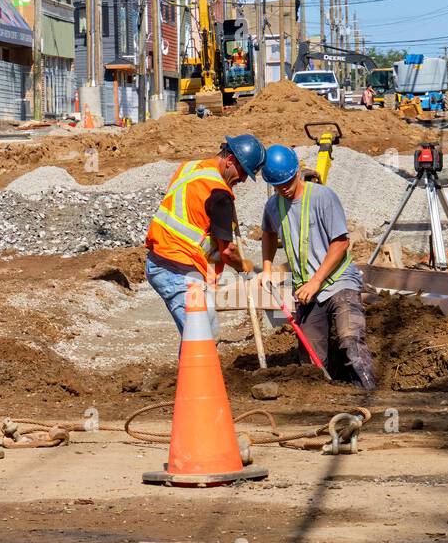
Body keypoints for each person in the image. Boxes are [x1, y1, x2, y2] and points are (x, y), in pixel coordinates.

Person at [258, 144, 376, 390]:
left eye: (287, 183)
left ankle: (368, 394)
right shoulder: (273, 206)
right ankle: (326, 402)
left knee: (350, 340)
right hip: (306, 291)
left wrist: (316, 280)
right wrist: (267, 268)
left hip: (338, 281)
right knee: (311, 363)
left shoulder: (323, 197)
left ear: (297, 172)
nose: (283, 190)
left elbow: (341, 242)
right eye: (277, 186)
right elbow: (268, 233)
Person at [145, 134, 266, 340]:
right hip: (176, 269)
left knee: (207, 332)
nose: (243, 180)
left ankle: (200, 371)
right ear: (230, 161)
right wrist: (245, 269)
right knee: (201, 338)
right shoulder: (219, 194)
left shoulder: (190, 168)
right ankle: (195, 372)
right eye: (244, 172)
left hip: (166, 261)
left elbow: (193, 214)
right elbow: (227, 252)